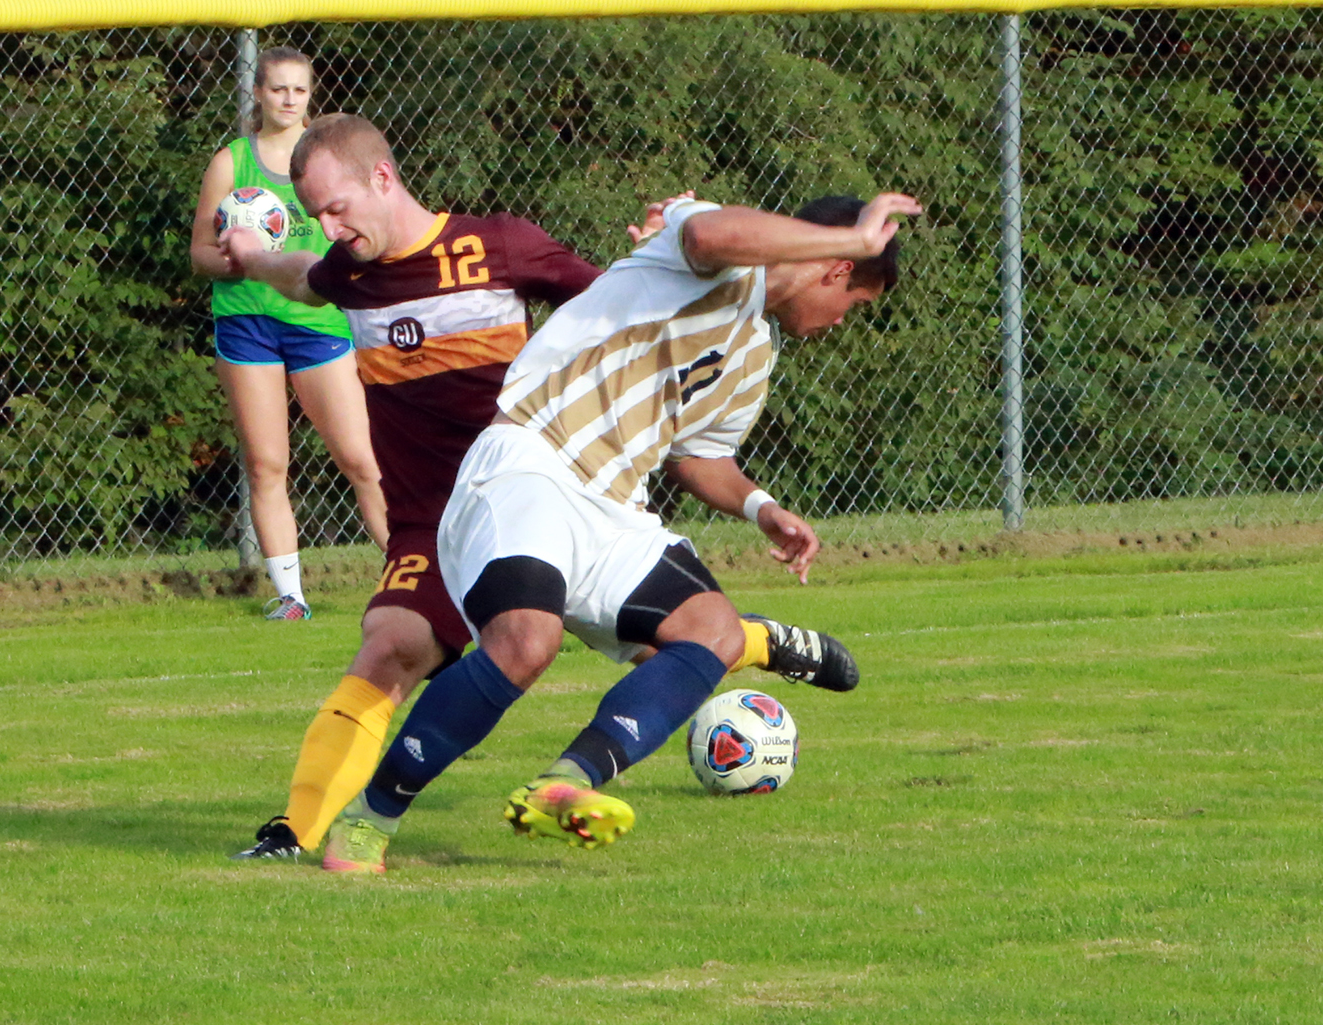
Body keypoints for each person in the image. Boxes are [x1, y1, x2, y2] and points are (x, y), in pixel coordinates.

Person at [217, 115, 861, 868]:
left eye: (335, 208)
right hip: (444, 511)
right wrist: (259, 260)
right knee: (399, 646)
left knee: (661, 637)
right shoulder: (348, 268)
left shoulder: (499, 245)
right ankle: (299, 834)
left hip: (554, 486)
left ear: (382, 180)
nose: (329, 228)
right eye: (316, 215)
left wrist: (656, 251)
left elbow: (616, 308)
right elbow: (304, 277)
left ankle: (723, 656)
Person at [324, 190, 920, 870]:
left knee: (715, 631)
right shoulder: (709, 253)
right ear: (837, 268)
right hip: (532, 461)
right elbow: (708, 237)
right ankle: (369, 819)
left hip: (614, 508)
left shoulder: (755, 350)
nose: (844, 320)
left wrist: (761, 506)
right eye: (856, 303)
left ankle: (566, 785)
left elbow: (700, 457)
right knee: (526, 641)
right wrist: (854, 239)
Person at [190, 47, 388, 621]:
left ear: (310, 96)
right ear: (257, 93)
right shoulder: (231, 162)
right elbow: (200, 254)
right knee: (267, 463)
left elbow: (363, 232)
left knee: (360, 459)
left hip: (317, 320)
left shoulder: (326, 157)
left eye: (298, 91)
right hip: (248, 323)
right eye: (277, 89)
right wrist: (244, 258)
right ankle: (290, 596)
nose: (288, 100)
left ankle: (413, 573)